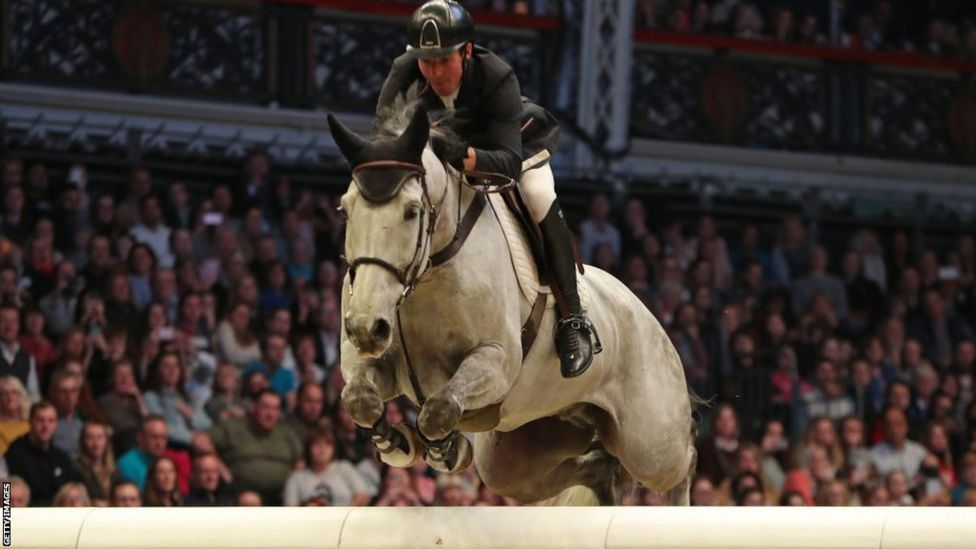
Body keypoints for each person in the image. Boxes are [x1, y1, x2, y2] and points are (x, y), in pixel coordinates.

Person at [374, 0, 599, 377]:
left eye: (444, 60)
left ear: (465, 52)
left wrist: (461, 154)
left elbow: (507, 160)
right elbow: (385, 140)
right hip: (444, 159)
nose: (434, 72)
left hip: (507, 147)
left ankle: (573, 319)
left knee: (539, 197)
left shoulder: (496, 75)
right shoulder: (405, 72)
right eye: (426, 62)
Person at [5, 401, 80, 506]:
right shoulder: (13, 454)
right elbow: (6, 492)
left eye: (50, 421)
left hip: (58, 517)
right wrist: (6, 520)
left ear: (56, 424)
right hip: (23, 516)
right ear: (30, 422)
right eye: (40, 420)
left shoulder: (62, 458)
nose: (45, 426)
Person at [283, 428, 371, 506]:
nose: (322, 449)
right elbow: (291, 509)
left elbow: (363, 495)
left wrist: (346, 514)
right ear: (308, 448)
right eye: (317, 444)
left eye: (328, 444)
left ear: (333, 448)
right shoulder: (297, 477)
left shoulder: (344, 468)